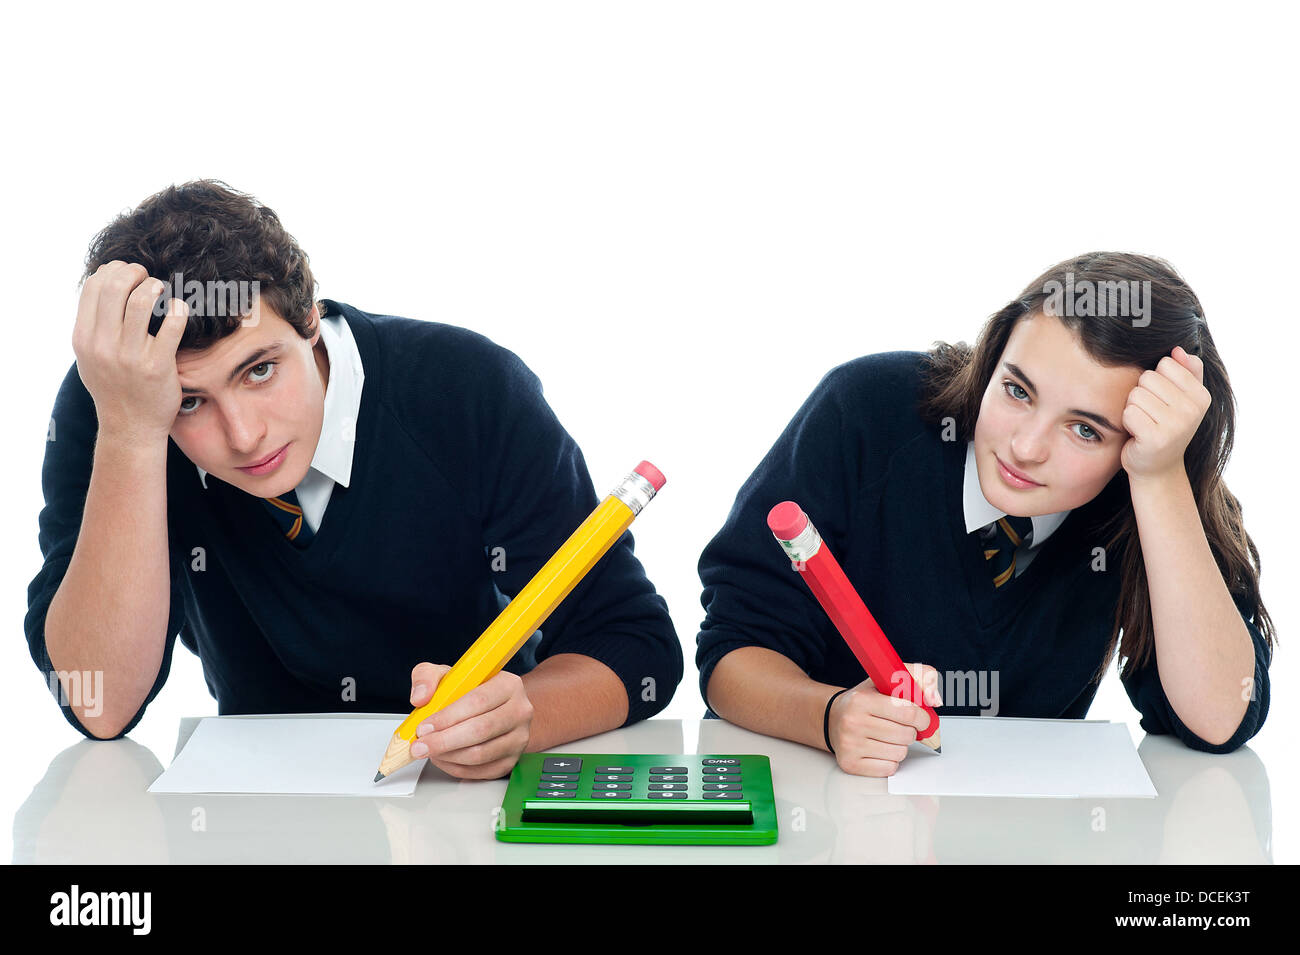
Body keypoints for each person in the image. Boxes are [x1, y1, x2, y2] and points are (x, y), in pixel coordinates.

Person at [26, 180, 682, 780]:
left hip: (468, 806)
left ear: (310, 317)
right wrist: (131, 431)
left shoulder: (468, 388)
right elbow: (100, 704)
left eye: (259, 370)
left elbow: (636, 645)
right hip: (256, 814)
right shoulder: (120, 402)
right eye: (190, 401)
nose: (244, 435)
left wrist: (523, 718)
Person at [697, 252, 1274, 776]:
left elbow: (1219, 719)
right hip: (834, 812)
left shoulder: (1148, 496)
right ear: (992, 359)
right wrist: (828, 716)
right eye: (1017, 392)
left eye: (1084, 430)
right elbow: (731, 655)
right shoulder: (866, 410)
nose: (1025, 448)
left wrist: (1159, 479)